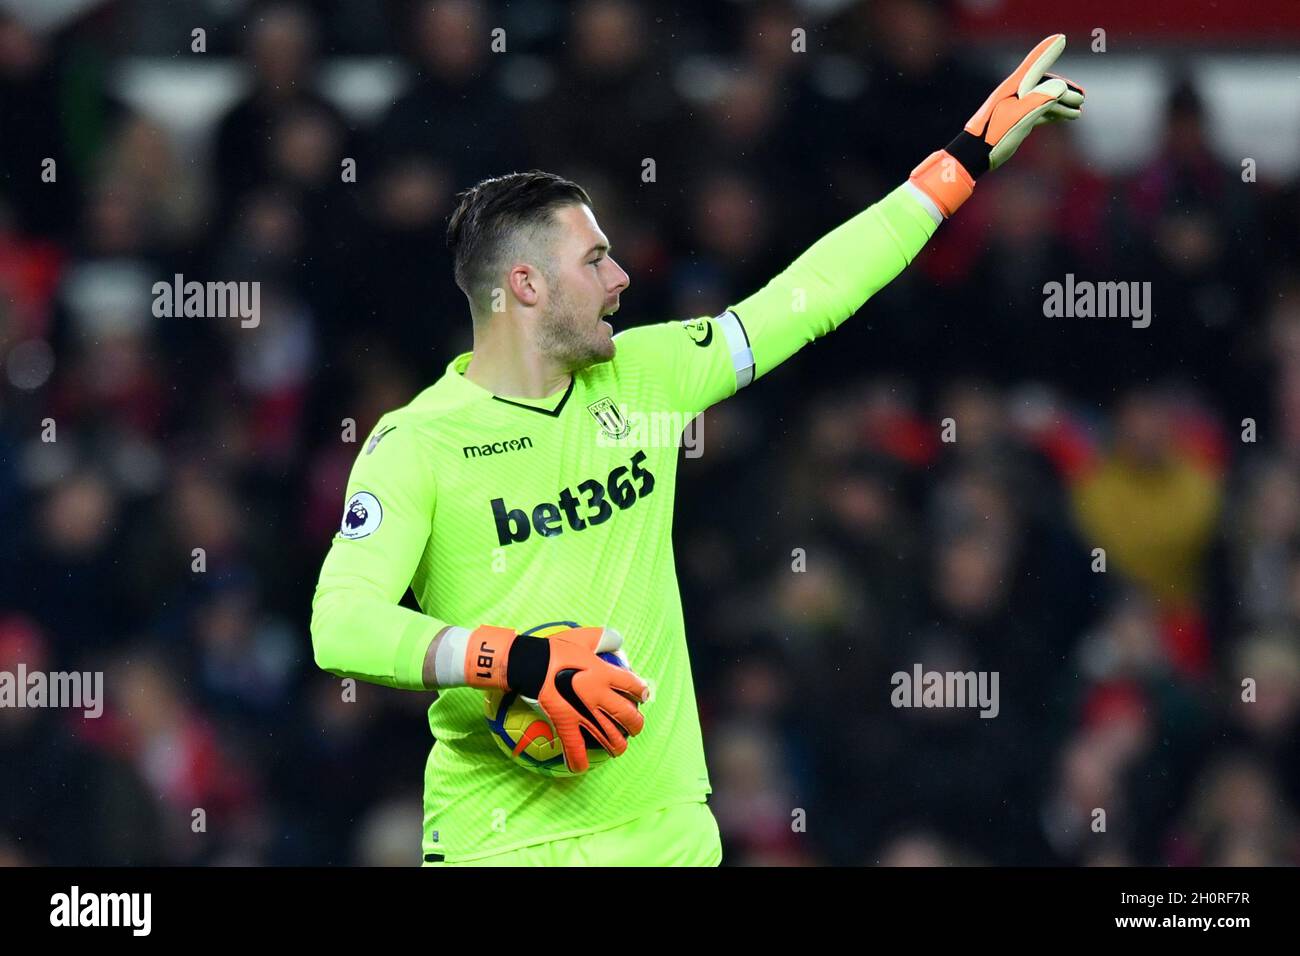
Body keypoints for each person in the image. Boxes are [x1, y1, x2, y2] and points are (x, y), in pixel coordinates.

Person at [309, 35, 1085, 866]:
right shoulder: (418, 442)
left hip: (667, 832)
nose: (622, 281)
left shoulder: (647, 377)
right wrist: (513, 659)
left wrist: (955, 167)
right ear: (526, 286)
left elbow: (810, 296)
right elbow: (340, 628)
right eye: (596, 260)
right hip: (500, 843)